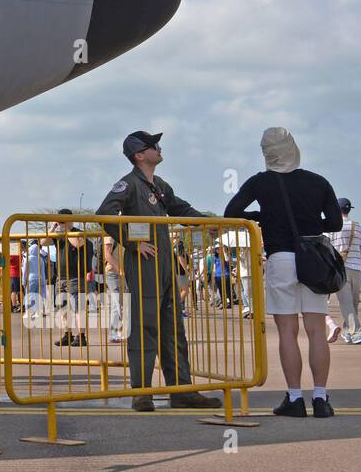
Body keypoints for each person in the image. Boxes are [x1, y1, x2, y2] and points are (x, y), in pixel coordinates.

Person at [96, 130, 222, 412]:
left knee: (174, 328)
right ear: (140, 155)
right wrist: (131, 241)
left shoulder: (159, 184)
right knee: (144, 328)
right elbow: (104, 214)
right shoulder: (127, 185)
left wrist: (206, 223)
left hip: (164, 264)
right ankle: (142, 393)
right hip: (144, 266)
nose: (159, 148)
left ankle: (181, 390)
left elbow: (181, 209)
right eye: (153, 145)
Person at [224, 127, 343, 418]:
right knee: (316, 330)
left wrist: (264, 217)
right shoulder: (318, 182)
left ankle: (294, 397)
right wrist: (311, 225)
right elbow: (336, 223)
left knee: (287, 332)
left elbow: (232, 212)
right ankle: (320, 398)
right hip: (312, 260)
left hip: (281, 259)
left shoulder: (260, 183)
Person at [327, 199, 361, 344]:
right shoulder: (358, 227)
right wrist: (359, 265)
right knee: (353, 303)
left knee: (346, 303)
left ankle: (356, 334)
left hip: (339, 269)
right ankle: (349, 332)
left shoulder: (332, 227)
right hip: (356, 269)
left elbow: (327, 249)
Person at [51, 211, 88, 347]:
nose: (62, 222)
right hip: (61, 278)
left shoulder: (78, 232)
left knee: (78, 309)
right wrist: (53, 227)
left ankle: (81, 336)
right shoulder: (58, 235)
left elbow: (78, 244)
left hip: (75, 277)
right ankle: (67, 335)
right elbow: (44, 242)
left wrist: (67, 229)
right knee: (63, 309)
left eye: (64, 220)